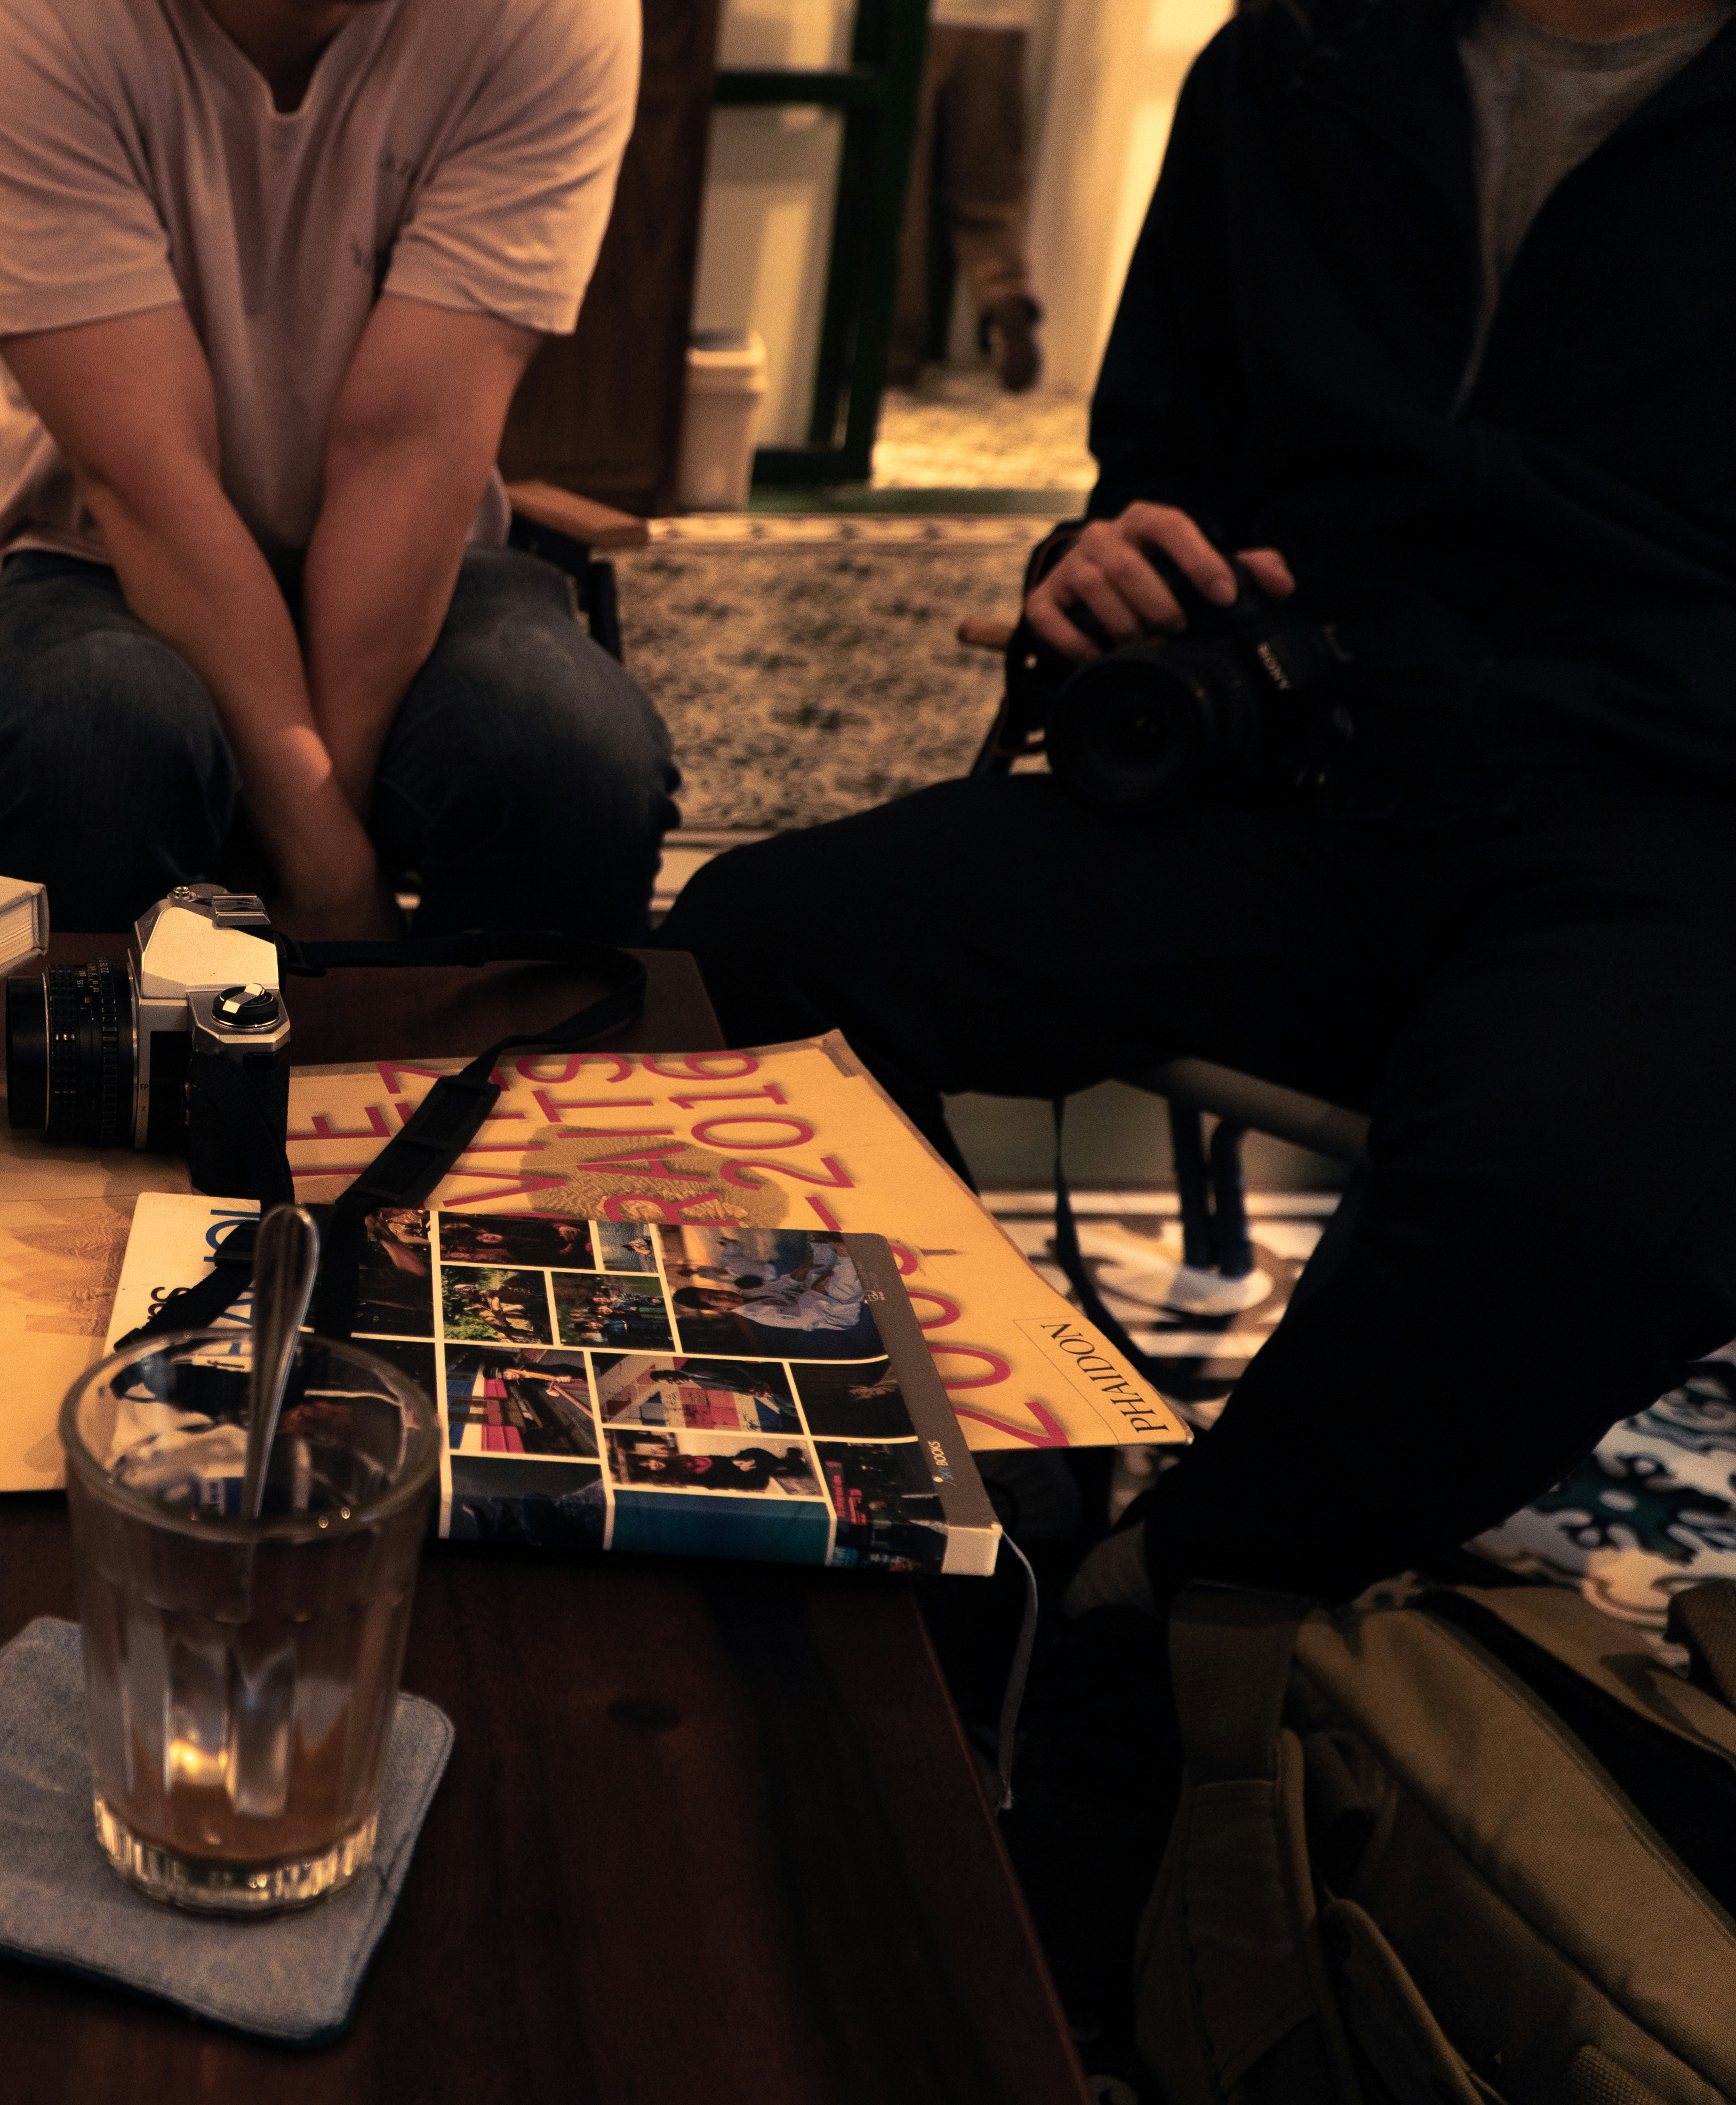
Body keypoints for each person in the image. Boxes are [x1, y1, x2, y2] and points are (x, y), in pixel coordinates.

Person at [660, 0, 1736, 1608]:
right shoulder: (1295, 56)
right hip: (1307, 765)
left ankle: (1161, 1596)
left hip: (1665, 817)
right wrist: (1102, 563)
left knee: (1571, 1208)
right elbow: (1164, 469)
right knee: (751, 946)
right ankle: (994, 1478)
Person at [0, 0, 681, 940]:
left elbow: (405, 448)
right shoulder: (22, 17)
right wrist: (323, 862)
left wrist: (324, 841)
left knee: (576, 766)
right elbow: (149, 478)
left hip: (414, 554)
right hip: (98, 551)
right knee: (100, 748)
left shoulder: (547, 15)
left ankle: (480, 1077)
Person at [889, 0, 1044, 391]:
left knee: (901, 191)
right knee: (990, 190)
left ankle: (897, 348)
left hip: (916, 18)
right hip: (1003, 20)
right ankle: (1004, 295)